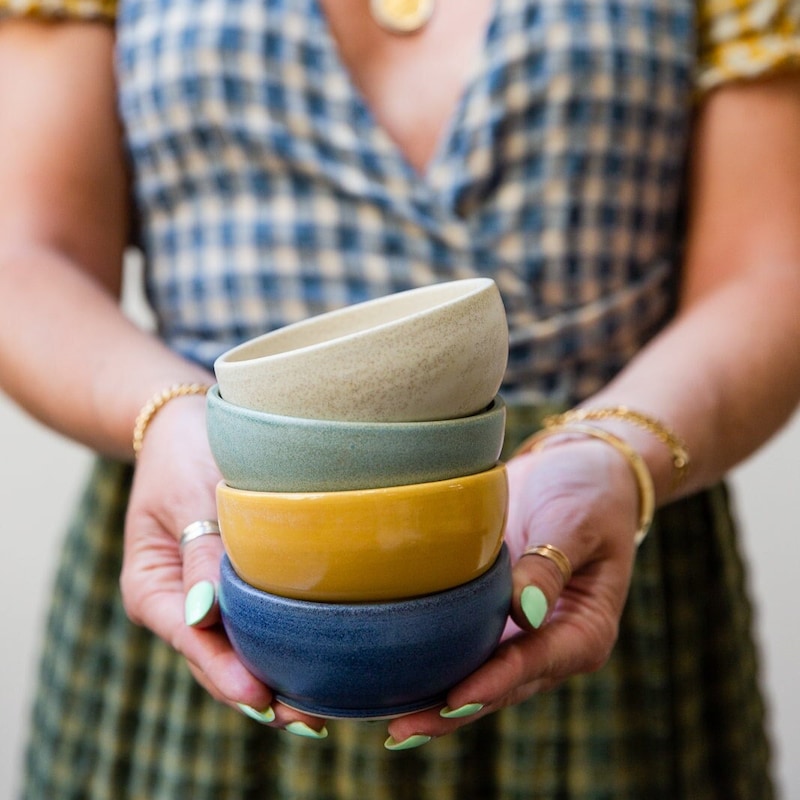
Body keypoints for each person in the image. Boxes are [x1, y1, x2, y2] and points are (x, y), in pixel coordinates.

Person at [1, 0, 799, 796]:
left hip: (581, 561)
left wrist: (616, 455)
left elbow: (770, 274)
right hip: (212, 547)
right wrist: (169, 415)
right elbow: (27, 256)